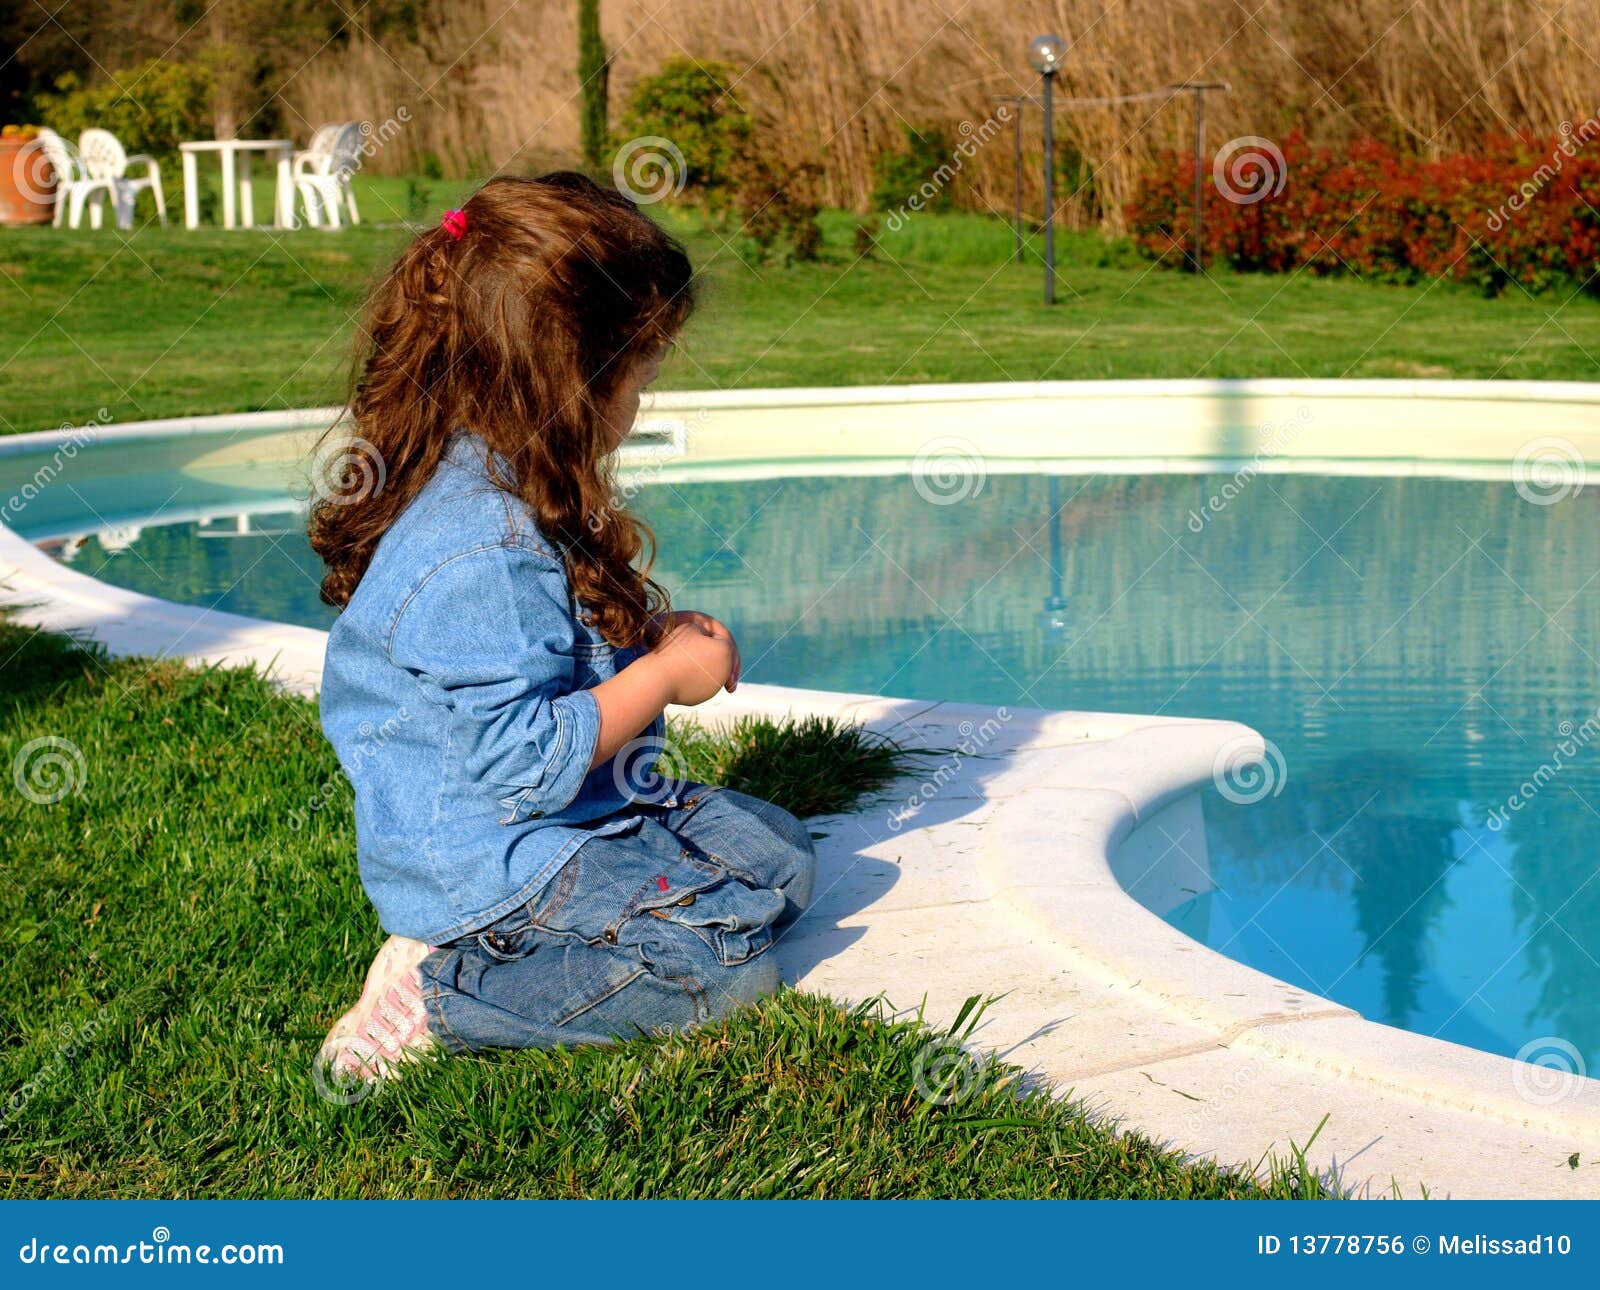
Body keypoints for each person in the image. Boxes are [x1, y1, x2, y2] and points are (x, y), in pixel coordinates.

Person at [307, 174, 815, 1082]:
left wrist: (649, 639)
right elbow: (525, 762)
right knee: (721, 967)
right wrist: (663, 680)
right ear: (573, 382)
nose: (642, 402)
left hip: (579, 816)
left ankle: (528, 937)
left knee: (779, 857)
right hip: (494, 857)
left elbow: (549, 648)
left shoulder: (512, 474)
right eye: (638, 379)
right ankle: (439, 994)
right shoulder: (480, 544)